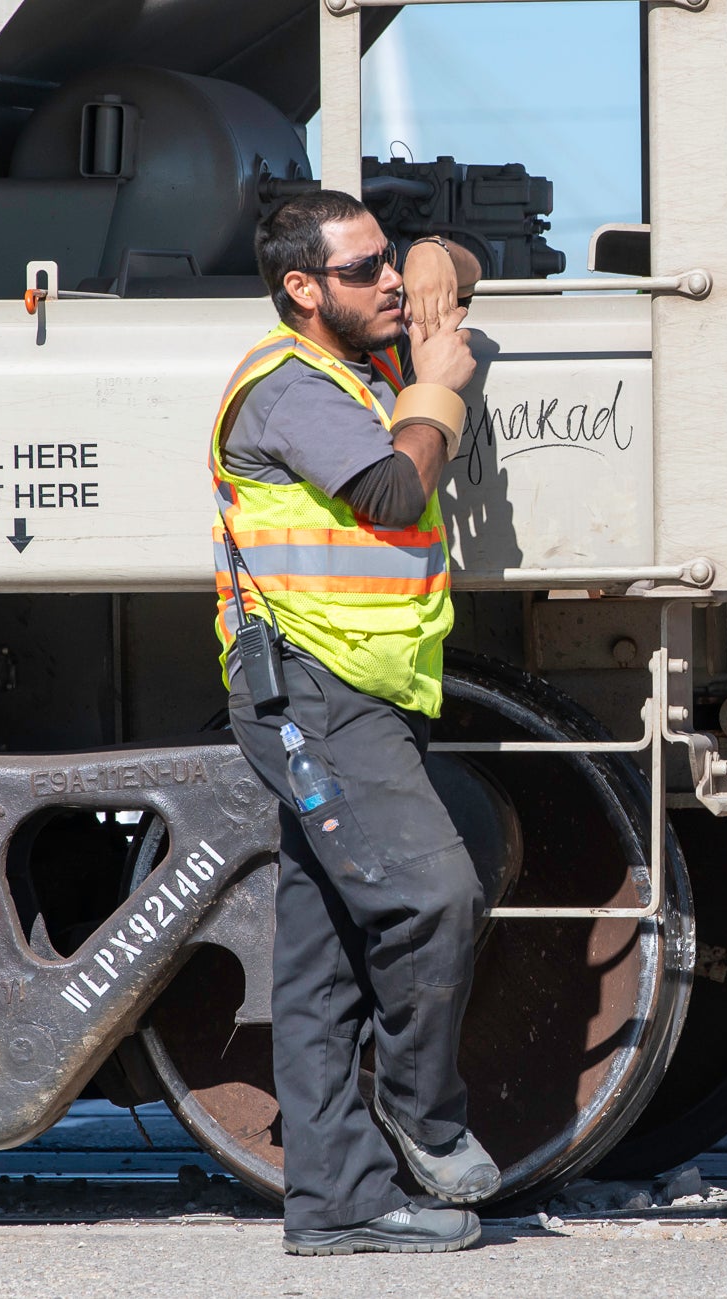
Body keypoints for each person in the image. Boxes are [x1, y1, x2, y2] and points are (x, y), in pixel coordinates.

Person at [213, 189, 502, 1254]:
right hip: (312, 691)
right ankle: (424, 1120)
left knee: (324, 955)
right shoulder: (289, 388)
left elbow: (464, 265)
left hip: (365, 688)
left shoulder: (356, 360)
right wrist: (438, 391)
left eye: (387, 261)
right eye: (364, 269)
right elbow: (390, 492)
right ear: (301, 288)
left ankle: (337, 1203)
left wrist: (433, 257)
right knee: (432, 895)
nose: (388, 283)